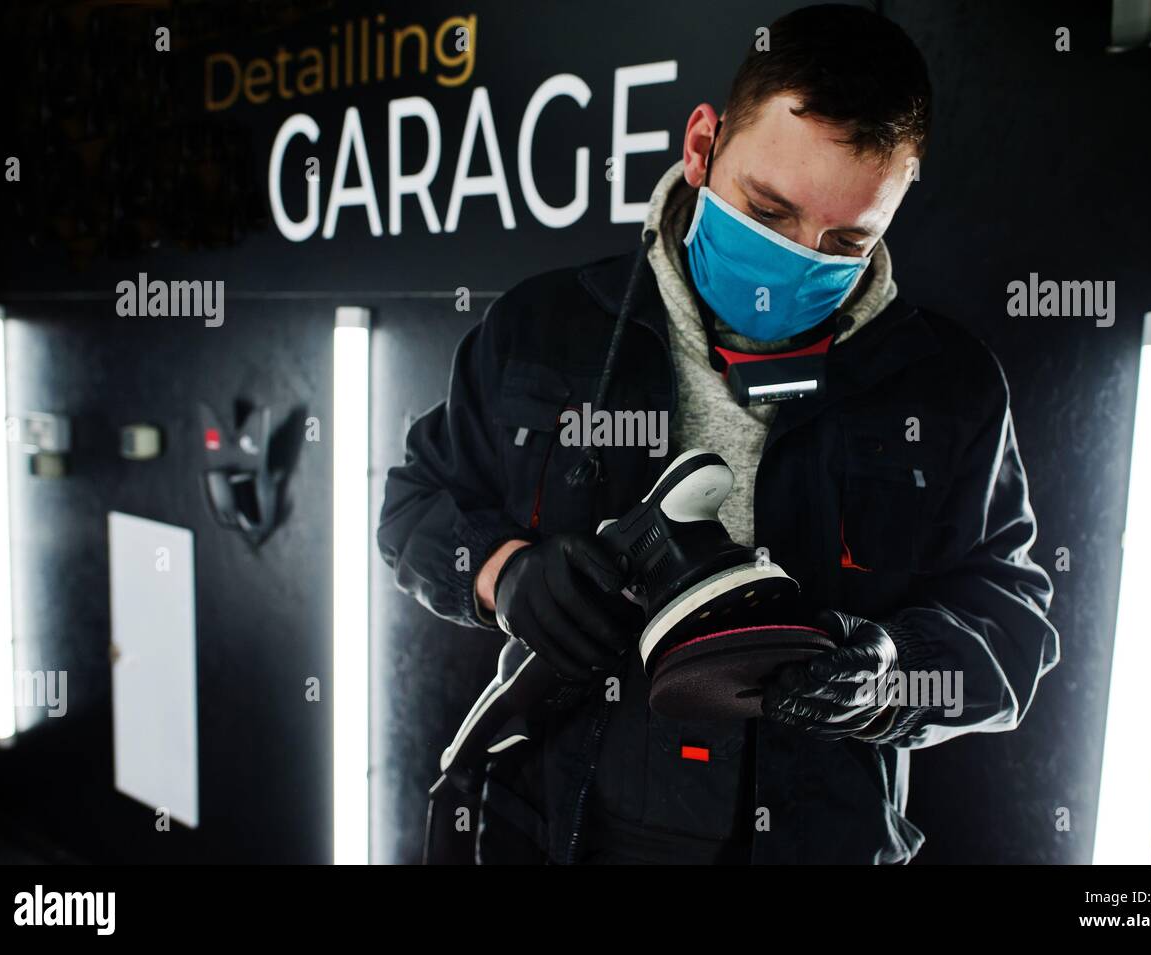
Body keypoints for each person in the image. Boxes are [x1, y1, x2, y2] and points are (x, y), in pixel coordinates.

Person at [378, 3, 1060, 864]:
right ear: (702, 146)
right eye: (770, 213)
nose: (801, 261)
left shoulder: (948, 386)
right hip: (555, 828)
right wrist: (504, 576)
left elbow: (1013, 622)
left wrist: (894, 675)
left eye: (847, 238)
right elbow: (411, 507)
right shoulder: (543, 330)